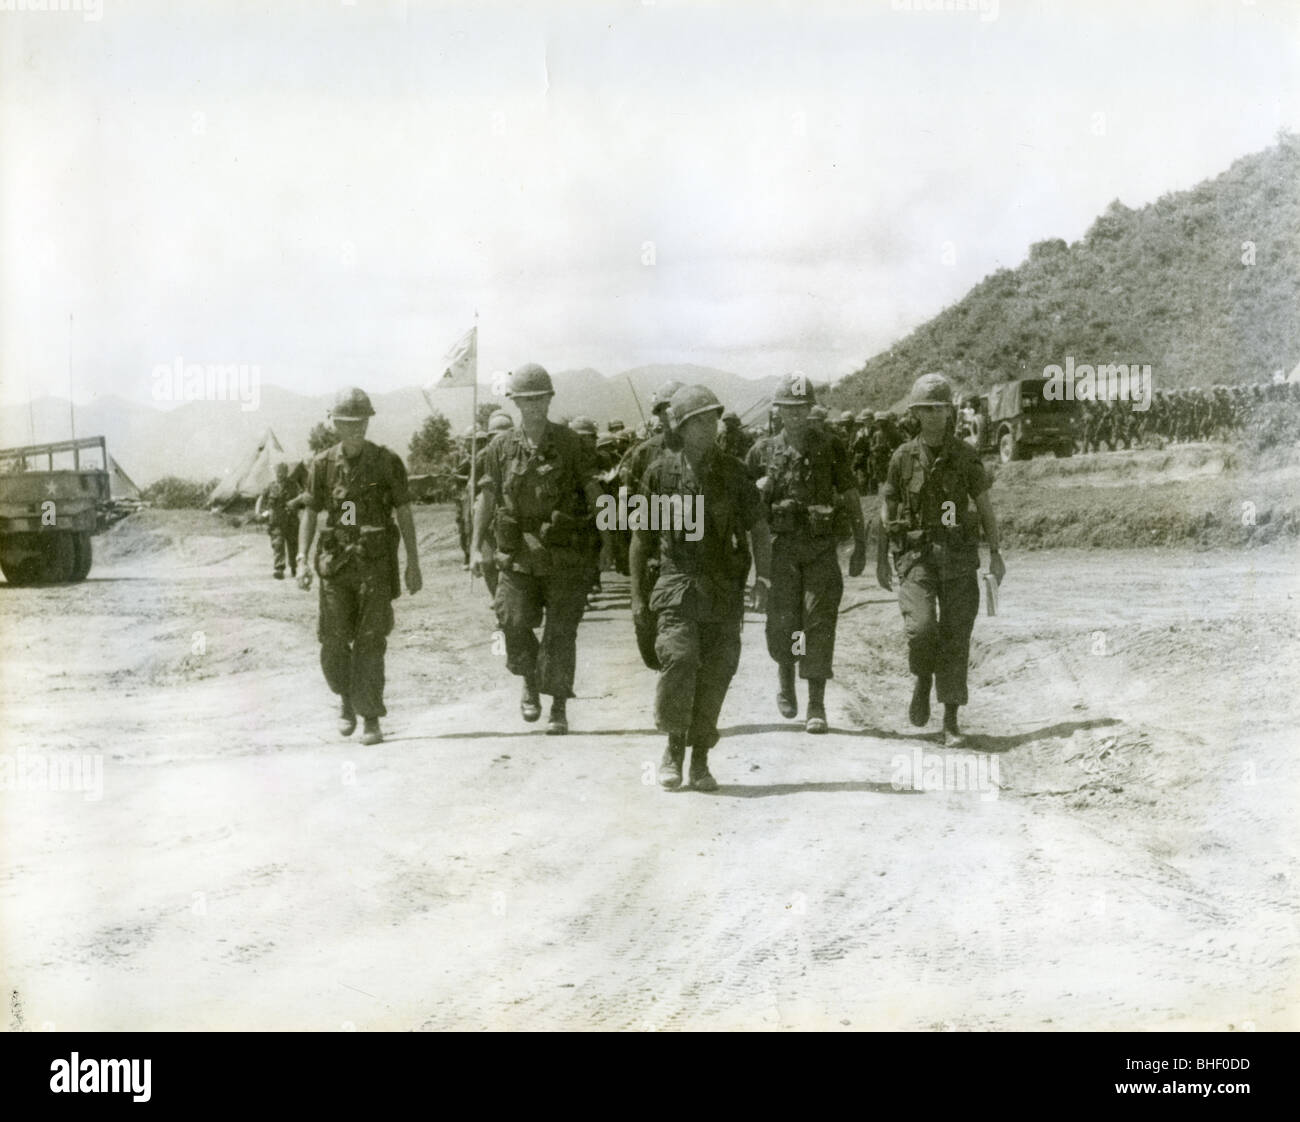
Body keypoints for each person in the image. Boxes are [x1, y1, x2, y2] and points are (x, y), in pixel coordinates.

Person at [632, 386, 770, 791]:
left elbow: (758, 529)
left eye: (713, 419)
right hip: (677, 581)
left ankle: (701, 759)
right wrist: (637, 598)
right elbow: (640, 538)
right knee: (680, 657)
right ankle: (674, 747)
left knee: (719, 668)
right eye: (699, 421)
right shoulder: (660, 472)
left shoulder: (734, 472)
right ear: (682, 427)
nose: (709, 428)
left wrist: (764, 578)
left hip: (723, 585)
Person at [471, 363, 602, 735]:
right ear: (514, 402)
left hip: (564, 552)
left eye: (539, 398)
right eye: (524, 400)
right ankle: (529, 678)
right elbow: (487, 497)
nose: (532, 406)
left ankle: (558, 705)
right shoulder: (500, 447)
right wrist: (477, 549)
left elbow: (594, 493)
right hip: (516, 553)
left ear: (549, 399)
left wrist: (608, 538)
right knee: (511, 620)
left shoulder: (571, 444)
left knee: (561, 632)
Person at [879, 372, 1005, 747]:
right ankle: (922, 679)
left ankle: (950, 719)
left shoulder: (965, 457)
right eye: (925, 410)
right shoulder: (902, 458)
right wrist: (881, 555)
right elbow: (887, 504)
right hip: (916, 558)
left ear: (950, 412)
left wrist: (996, 554)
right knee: (921, 630)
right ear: (915, 414)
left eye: (940, 409)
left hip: (958, 558)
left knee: (955, 637)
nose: (934, 416)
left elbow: (984, 507)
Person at [297, 387, 423, 746]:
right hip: (336, 565)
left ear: (369, 421)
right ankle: (346, 698)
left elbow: (404, 512)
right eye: (348, 422)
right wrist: (301, 559)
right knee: (334, 641)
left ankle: (370, 717)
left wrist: (413, 563)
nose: (356, 428)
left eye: (362, 421)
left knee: (370, 641)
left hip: (375, 566)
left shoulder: (387, 462)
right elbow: (310, 511)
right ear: (335, 423)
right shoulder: (321, 465)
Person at [746, 372, 866, 733]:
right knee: (784, 624)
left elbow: (850, 495)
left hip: (819, 550)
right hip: (780, 552)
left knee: (818, 622)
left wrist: (861, 542)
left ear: (811, 409)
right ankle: (786, 676)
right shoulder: (761, 451)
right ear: (778, 411)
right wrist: (757, 489)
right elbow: (744, 506)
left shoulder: (830, 448)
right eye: (789, 409)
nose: (796, 415)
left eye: (802, 408)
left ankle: (816, 702)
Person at [255, 461, 304, 579]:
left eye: (282, 471)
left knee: (293, 545)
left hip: (291, 520)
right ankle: (279, 569)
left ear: (286, 472)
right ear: (275, 472)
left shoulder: (293, 485)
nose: (280, 474)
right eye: (278, 471)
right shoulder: (271, 486)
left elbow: (302, 496)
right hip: (276, 521)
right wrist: (257, 512)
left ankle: (294, 567)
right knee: (278, 545)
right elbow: (261, 498)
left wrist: (295, 503)